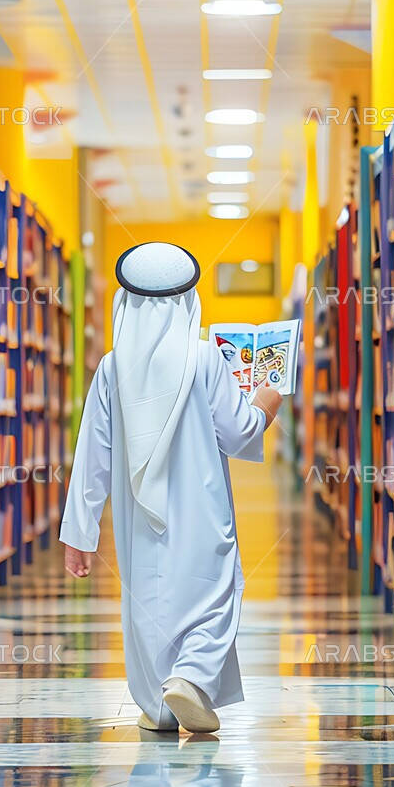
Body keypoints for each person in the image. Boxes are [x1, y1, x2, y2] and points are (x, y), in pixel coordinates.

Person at [59, 242, 283, 734]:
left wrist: (80, 533)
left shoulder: (111, 369)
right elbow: (240, 431)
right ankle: (190, 680)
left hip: (139, 517)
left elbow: (92, 457)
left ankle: (158, 704)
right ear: (187, 302)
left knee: (148, 607)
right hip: (202, 510)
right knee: (214, 597)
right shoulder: (204, 360)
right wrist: (267, 401)